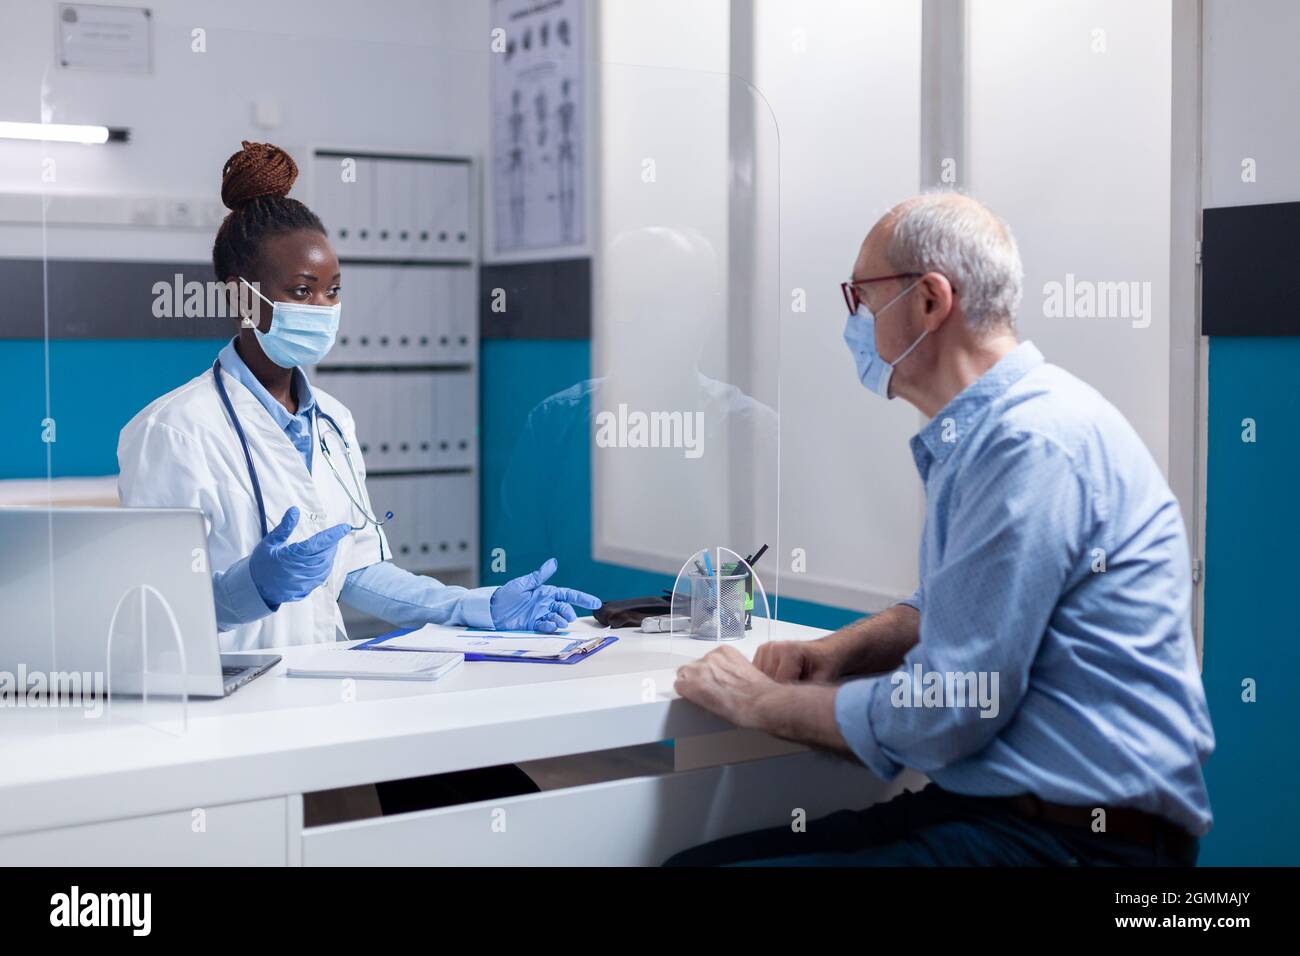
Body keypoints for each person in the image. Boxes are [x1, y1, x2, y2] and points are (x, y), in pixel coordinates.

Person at [668, 192, 1214, 866]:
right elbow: (956, 607)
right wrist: (839, 652)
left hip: (1079, 842)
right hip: (996, 807)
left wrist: (760, 702)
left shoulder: (1030, 443)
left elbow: (949, 705)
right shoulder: (992, 432)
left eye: (862, 298)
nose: (856, 322)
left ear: (930, 301)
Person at [118, 141, 600, 810]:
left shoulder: (334, 422)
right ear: (242, 296)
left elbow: (358, 570)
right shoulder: (174, 431)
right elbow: (152, 616)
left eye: (333, 290)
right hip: (227, 723)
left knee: (482, 798)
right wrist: (250, 588)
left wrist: (474, 606)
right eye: (301, 291)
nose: (322, 307)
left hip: (321, 703)